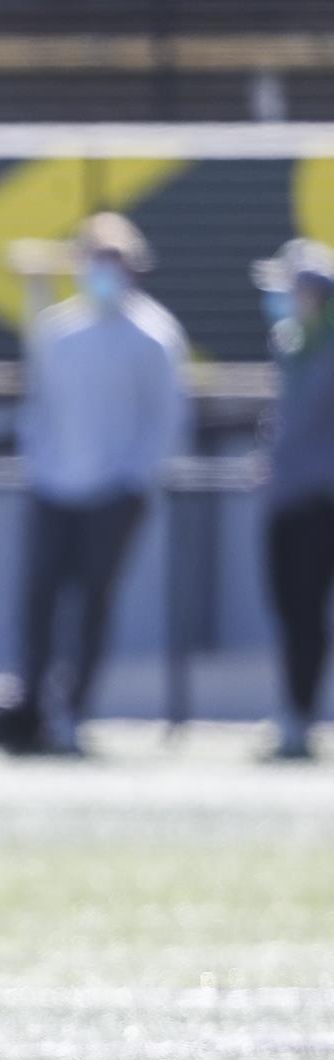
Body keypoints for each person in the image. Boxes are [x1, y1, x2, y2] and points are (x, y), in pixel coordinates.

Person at [11, 212, 188, 754]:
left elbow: (166, 419)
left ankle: (73, 711)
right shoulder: (58, 329)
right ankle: (31, 714)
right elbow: (38, 405)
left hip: (116, 494)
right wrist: (41, 465)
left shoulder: (153, 335)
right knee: (38, 600)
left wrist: (133, 480)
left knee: (92, 604)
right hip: (54, 488)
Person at [250, 238, 334, 760]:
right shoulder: (289, 345)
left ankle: (299, 716)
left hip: (321, 501)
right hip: (284, 497)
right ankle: (291, 710)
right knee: (287, 610)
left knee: (307, 612)